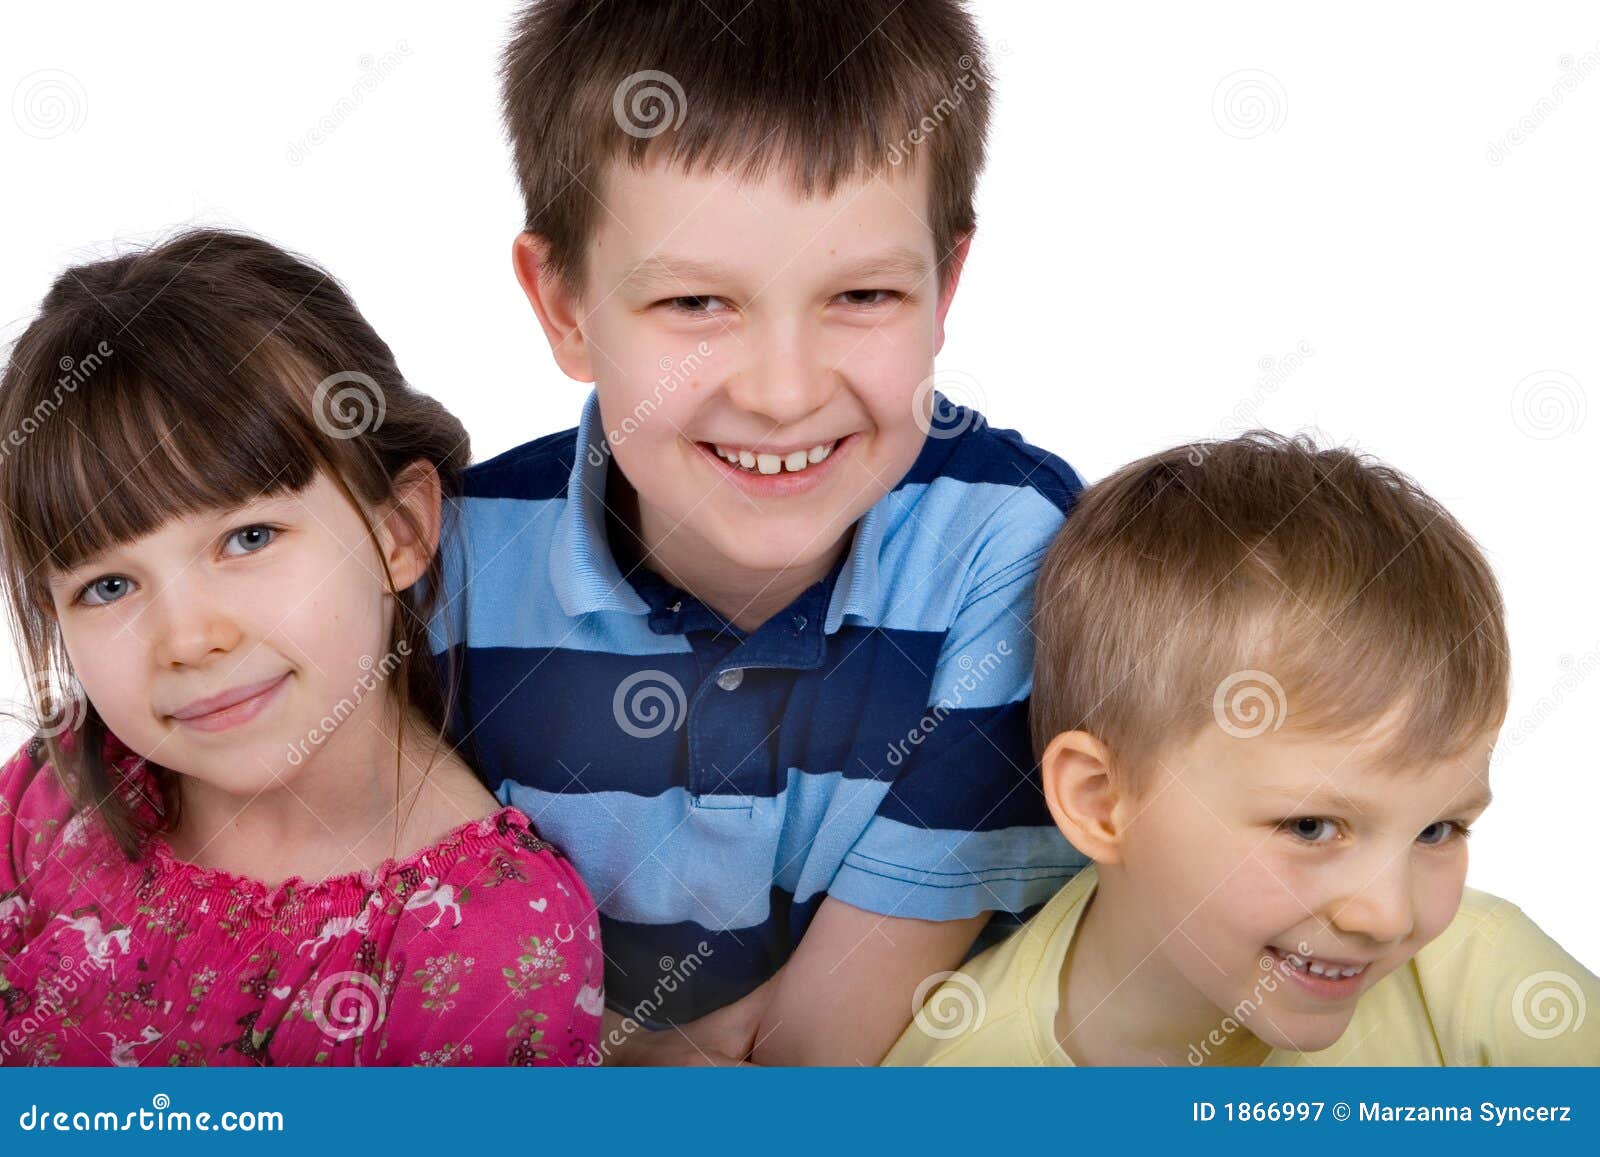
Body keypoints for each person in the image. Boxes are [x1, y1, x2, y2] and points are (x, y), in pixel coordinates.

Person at [0, 229, 603, 1066]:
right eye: (108, 587)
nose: (190, 638)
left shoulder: (485, 944)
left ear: (398, 532)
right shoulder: (59, 790)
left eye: (248, 537)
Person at [886, 432, 1600, 1065]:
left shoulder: (1496, 992)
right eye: (1311, 826)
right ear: (1103, 802)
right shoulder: (956, 1067)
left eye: (1438, 829)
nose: (1386, 914)